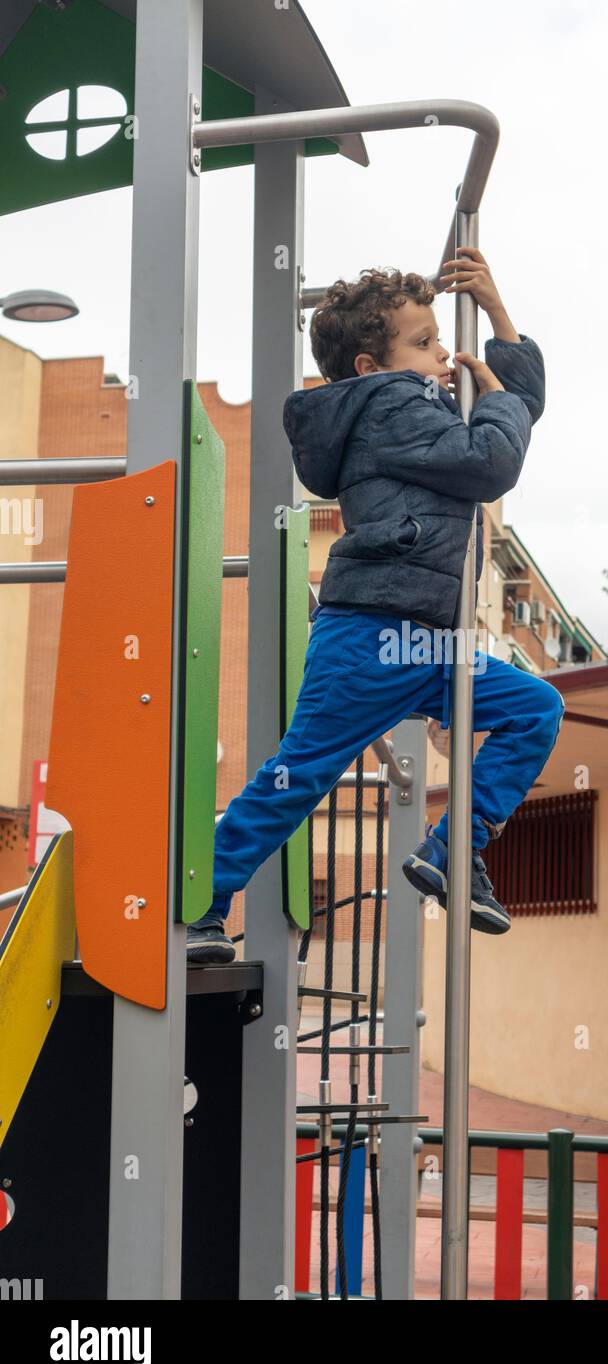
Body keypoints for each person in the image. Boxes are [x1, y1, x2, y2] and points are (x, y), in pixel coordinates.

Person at [187, 247, 565, 963]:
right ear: (372, 366)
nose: (444, 354)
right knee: (297, 775)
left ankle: (453, 853)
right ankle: (197, 899)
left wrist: (496, 310)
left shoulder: (414, 401)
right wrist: (500, 403)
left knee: (534, 708)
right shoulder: (391, 407)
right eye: (424, 344)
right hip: (369, 635)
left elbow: (517, 408)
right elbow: (492, 458)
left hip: (424, 641)